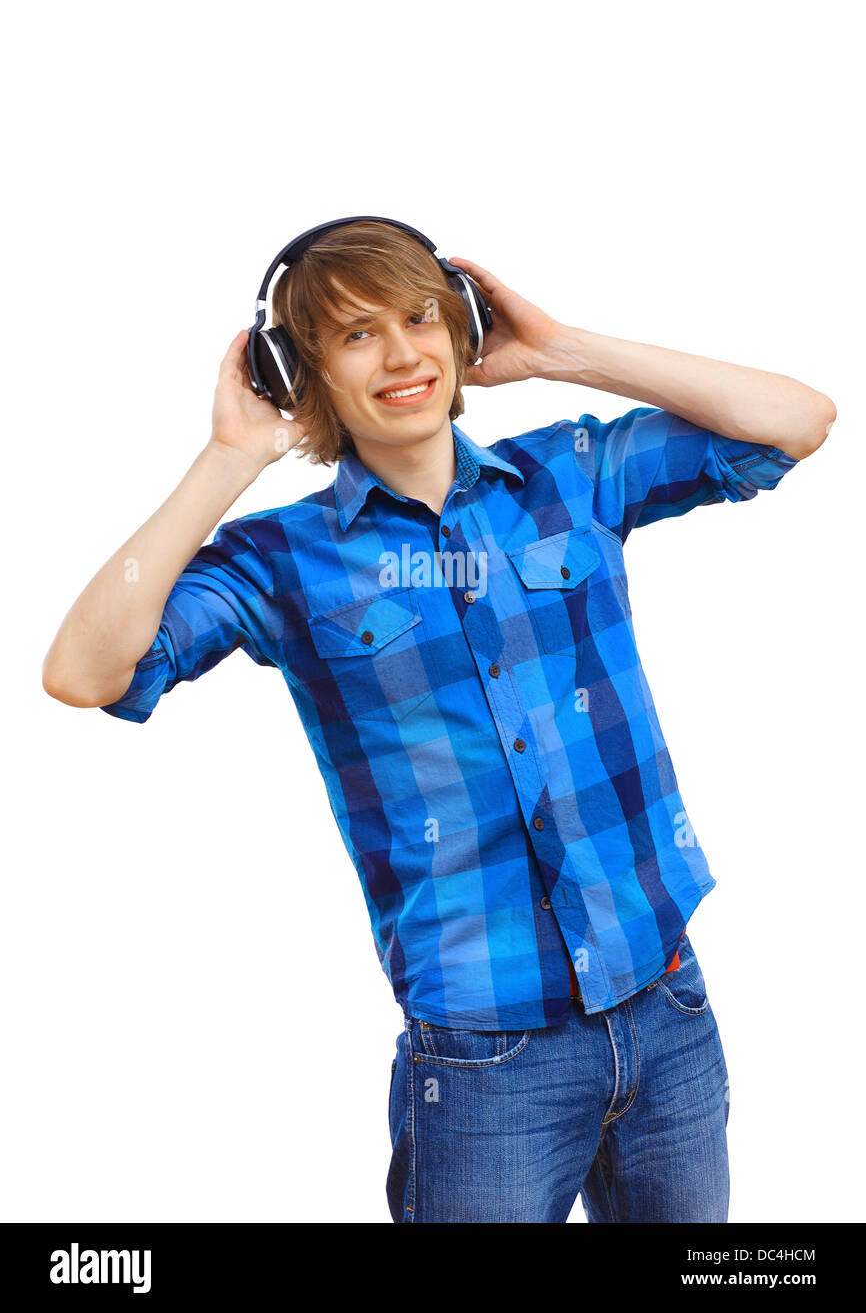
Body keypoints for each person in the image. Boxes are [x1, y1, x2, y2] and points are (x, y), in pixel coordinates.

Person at [42, 219, 836, 1223]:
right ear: (305, 373)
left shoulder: (570, 476)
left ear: (461, 327)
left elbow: (796, 421)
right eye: (354, 334)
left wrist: (560, 353)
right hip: (481, 1061)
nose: (402, 353)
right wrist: (227, 456)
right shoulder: (280, 564)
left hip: (668, 1007)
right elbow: (81, 669)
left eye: (420, 317)